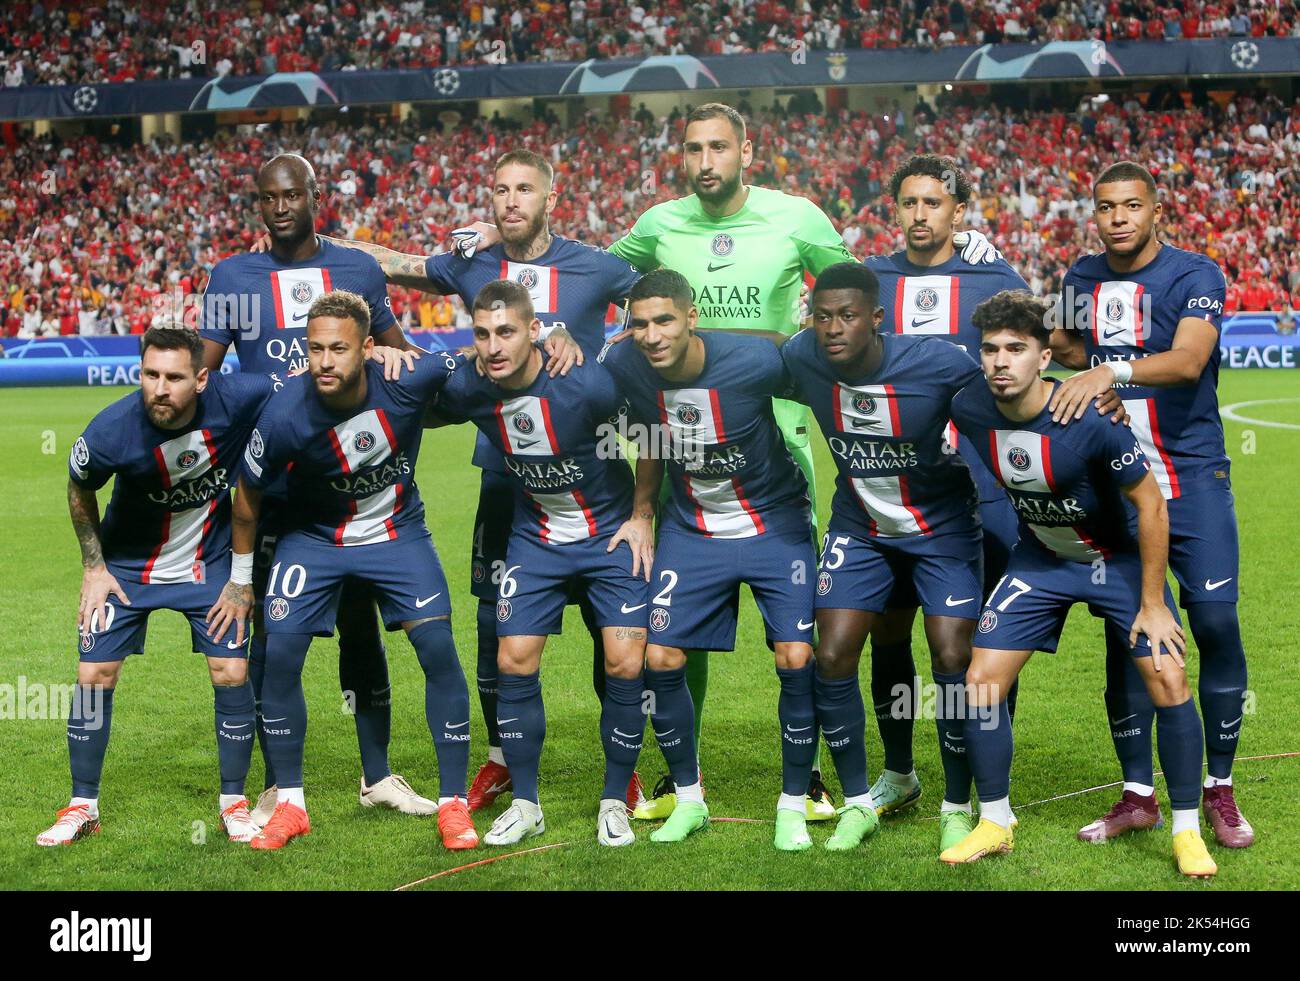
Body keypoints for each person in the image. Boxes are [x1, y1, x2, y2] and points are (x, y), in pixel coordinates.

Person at [323, 149, 642, 814]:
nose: (512, 200)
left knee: (605, 624)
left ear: (550, 198)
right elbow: (399, 264)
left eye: (525, 188)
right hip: (508, 473)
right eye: (501, 189)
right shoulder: (473, 263)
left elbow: (656, 307)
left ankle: (625, 768)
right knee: (497, 620)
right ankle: (500, 757)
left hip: (587, 469)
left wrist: (602, 349)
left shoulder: (595, 265)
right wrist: (317, 245)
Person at [944, 289, 1215, 878]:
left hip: (1118, 563)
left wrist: (1152, 602)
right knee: (980, 682)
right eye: (990, 349)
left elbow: (1151, 505)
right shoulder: (969, 407)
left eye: (1016, 349)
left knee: (1168, 678)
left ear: (1044, 357)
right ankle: (994, 821)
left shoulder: (1090, 418)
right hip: (1041, 560)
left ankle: (1186, 830)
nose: (1000, 361)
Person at [199, 153, 432, 824]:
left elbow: (402, 355)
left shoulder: (356, 269)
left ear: (314, 196)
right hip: (273, 486)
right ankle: (279, 785)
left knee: (361, 627)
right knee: (272, 634)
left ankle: (377, 775)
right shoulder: (233, 277)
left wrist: (396, 356)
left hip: (349, 486)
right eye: (269, 197)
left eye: (292, 194)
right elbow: (205, 378)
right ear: (259, 202)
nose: (281, 207)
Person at [207, 290, 476, 851]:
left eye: (339, 349)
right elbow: (246, 499)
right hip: (315, 539)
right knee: (281, 656)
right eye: (315, 349)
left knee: (437, 650)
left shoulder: (409, 376)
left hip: (397, 533)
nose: (324, 361)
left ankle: (454, 804)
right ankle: (291, 805)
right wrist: (240, 580)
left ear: (368, 348)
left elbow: (484, 359)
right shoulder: (284, 412)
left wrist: (554, 341)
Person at [1048, 161, 1252, 849]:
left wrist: (1111, 369)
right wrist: (1079, 363)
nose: (1119, 218)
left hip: (1192, 477)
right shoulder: (1079, 278)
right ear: (1095, 213)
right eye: (1106, 207)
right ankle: (1138, 794)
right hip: (1118, 487)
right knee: (1128, 632)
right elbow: (1064, 342)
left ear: (1156, 210)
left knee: (1215, 622)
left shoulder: (1196, 275)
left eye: (1132, 205)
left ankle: (1218, 786)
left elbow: (1189, 360)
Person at [598, 270, 818, 851]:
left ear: (692, 318)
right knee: (662, 656)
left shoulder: (754, 361)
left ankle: (794, 804)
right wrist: (642, 510)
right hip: (692, 527)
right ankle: (689, 798)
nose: (651, 335)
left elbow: (824, 379)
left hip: (774, 521)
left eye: (664, 321)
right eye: (639, 324)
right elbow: (647, 433)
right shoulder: (625, 364)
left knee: (797, 657)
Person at [436, 280, 655, 847]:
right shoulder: (469, 386)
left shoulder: (586, 384)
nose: (494, 347)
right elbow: (410, 398)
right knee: (512, 658)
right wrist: (382, 355)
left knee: (624, 662)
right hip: (535, 538)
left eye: (506, 332)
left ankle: (615, 799)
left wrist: (642, 515)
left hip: (609, 537)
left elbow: (650, 437)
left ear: (535, 330)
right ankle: (527, 803)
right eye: (482, 334)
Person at [38, 326, 275, 846]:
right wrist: (94, 567)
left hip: (207, 563)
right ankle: (82, 805)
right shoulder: (111, 430)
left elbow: (297, 386)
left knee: (231, 671)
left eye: (174, 377)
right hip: (126, 568)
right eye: (150, 375)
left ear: (202, 379)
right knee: (93, 674)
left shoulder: (239, 396)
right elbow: (79, 487)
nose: (160, 389)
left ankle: (233, 804)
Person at [781, 263, 985, 853]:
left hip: (941, 528)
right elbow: (742, 359)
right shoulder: (803, 357)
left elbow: (1007, 390)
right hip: (862, 528)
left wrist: (1082, 386)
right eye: (823, 317)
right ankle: (866, 797)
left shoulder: (936, 362)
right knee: (833, 653)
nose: (833, 328)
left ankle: (957, 804)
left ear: (875, 318)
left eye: (847, 316)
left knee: (952, 654)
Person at [861, 153, 1031, 817]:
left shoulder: (993, 277)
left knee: (982, 642)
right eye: (909, 202)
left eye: (934, 203)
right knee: (888, 631)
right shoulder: (872, 280)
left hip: (982, 490)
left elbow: (1028, 359)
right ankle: (899, 770)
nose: (920, 214)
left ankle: (985, 783)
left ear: (959, 212)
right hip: (890, 491)